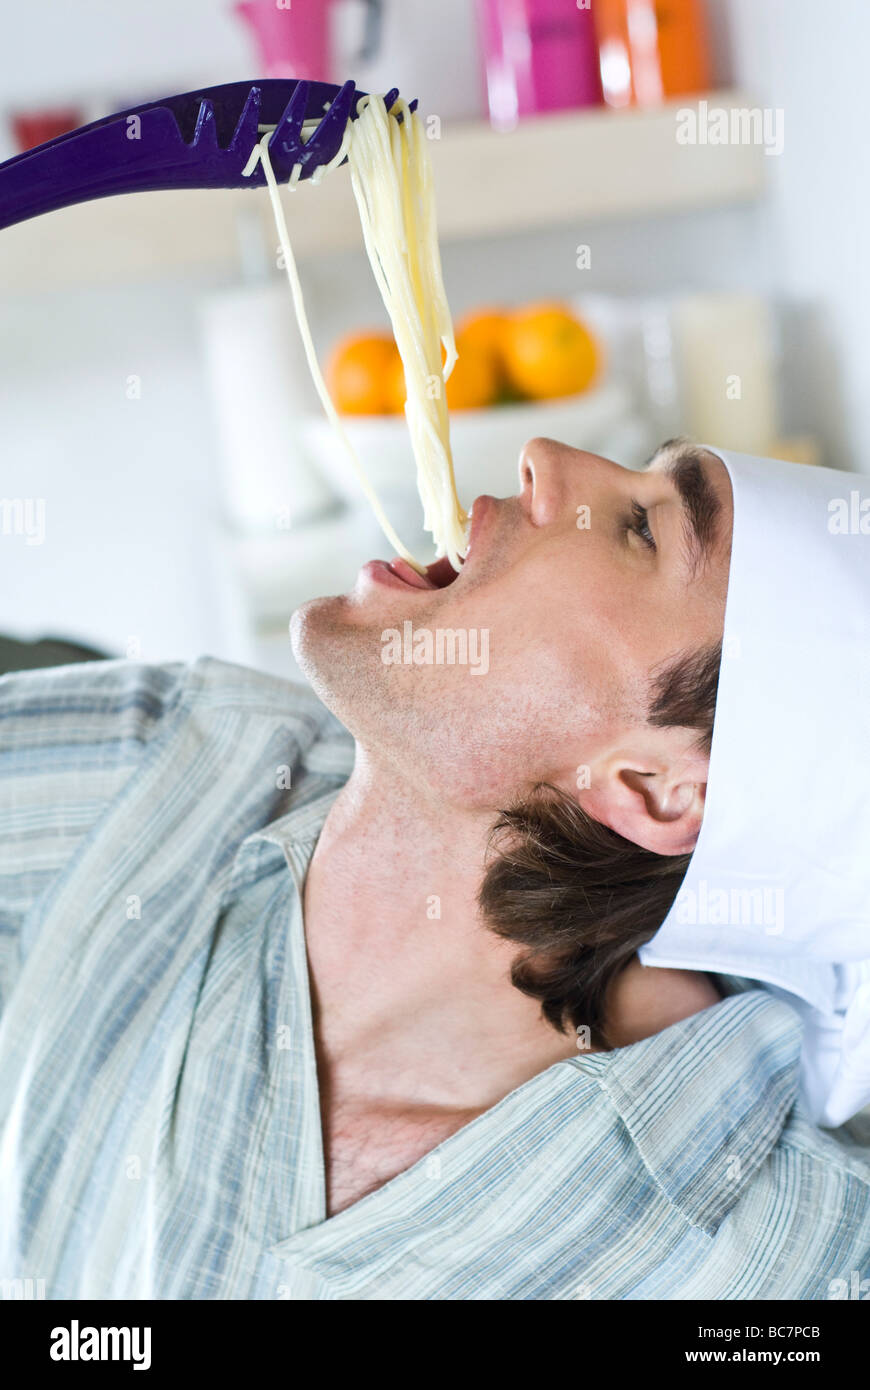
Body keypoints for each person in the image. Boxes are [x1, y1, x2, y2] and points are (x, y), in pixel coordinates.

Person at [0, 436, 868, 1299]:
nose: (543, 457)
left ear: (655, 791)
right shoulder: (160, 762)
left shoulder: (782, 1273)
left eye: (640, 527)